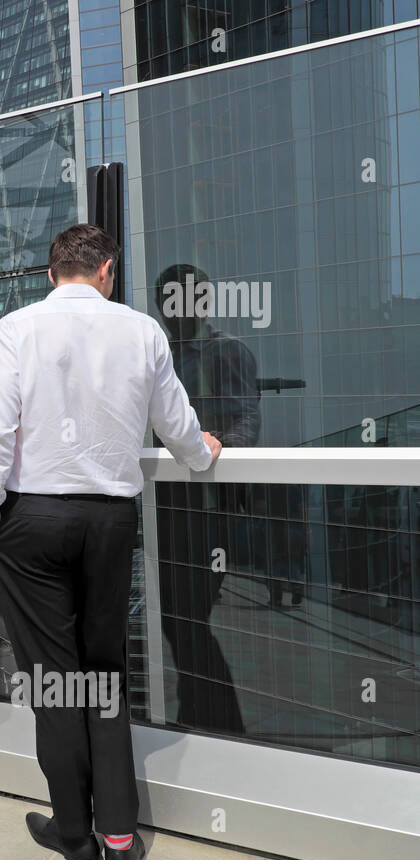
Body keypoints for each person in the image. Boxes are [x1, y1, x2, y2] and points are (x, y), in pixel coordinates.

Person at [0, 225, 222, 860]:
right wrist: (202, 454)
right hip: (110, 519)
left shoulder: (17, 328)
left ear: (52, 272)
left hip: (32, 520)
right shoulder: (141, 331)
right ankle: (118, 835)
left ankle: (74, 836)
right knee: (105, 671)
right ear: (106, 270)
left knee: (54, 683)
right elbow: (177, 425)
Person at [154, 263, 258, 734]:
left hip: (210, 511)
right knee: (178, 621)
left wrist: (216, 443)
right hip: (168, 510)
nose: (176, 312)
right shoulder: (156, 356)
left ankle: (221, 726)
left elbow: (246, 423)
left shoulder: (226, 352)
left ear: (203, 303)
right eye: (169, 302)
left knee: (188, 620)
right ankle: (200, 718)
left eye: (185, 300)